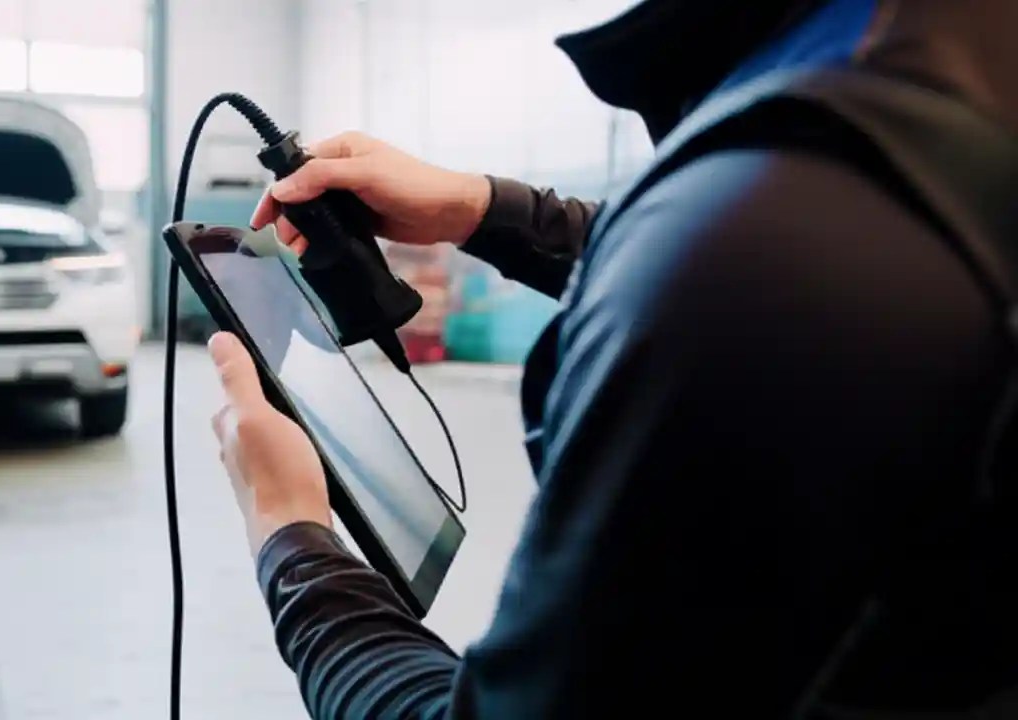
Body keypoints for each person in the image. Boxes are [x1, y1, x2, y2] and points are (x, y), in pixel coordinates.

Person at [206, 0, 1018, 716]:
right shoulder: (929, 76)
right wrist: (485, 210)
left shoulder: (774, 224)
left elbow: (737, 264)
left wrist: (292, 536)